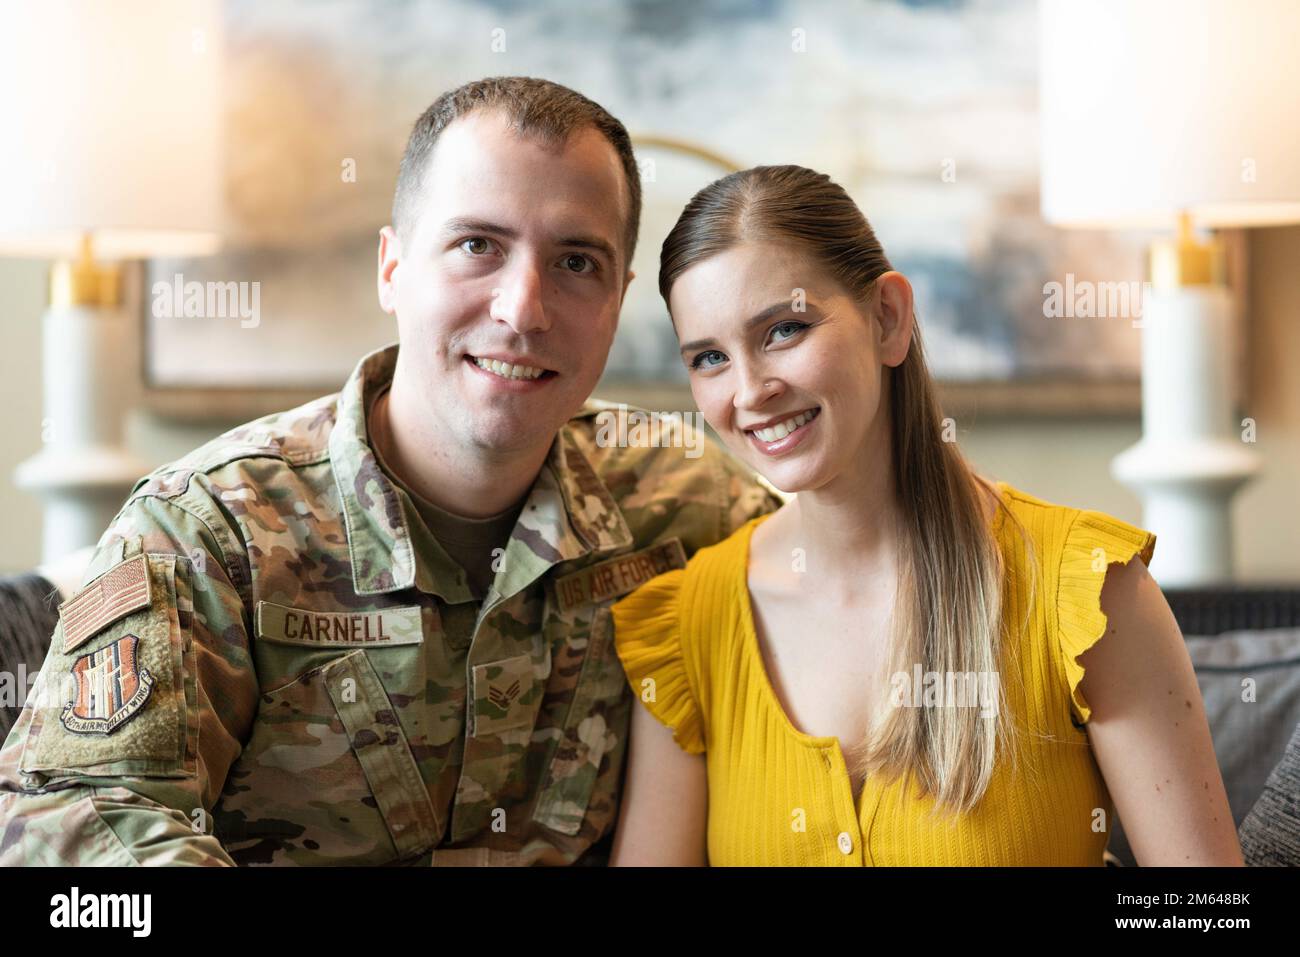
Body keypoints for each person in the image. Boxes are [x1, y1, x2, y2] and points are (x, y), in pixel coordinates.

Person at [0, 77, 781, 866]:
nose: (523, 308)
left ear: (617, 301)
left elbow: (869, 585)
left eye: (577, 261)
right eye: (478, 245)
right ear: (393, 268)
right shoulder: (210, 530)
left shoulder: (684, 502)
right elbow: (73, 828)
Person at [608, 164, 1245, 866]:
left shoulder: (1086, 592)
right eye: (709, 358)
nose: (750, 390)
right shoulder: (688, 620)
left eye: (784, 329)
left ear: (888, 318)